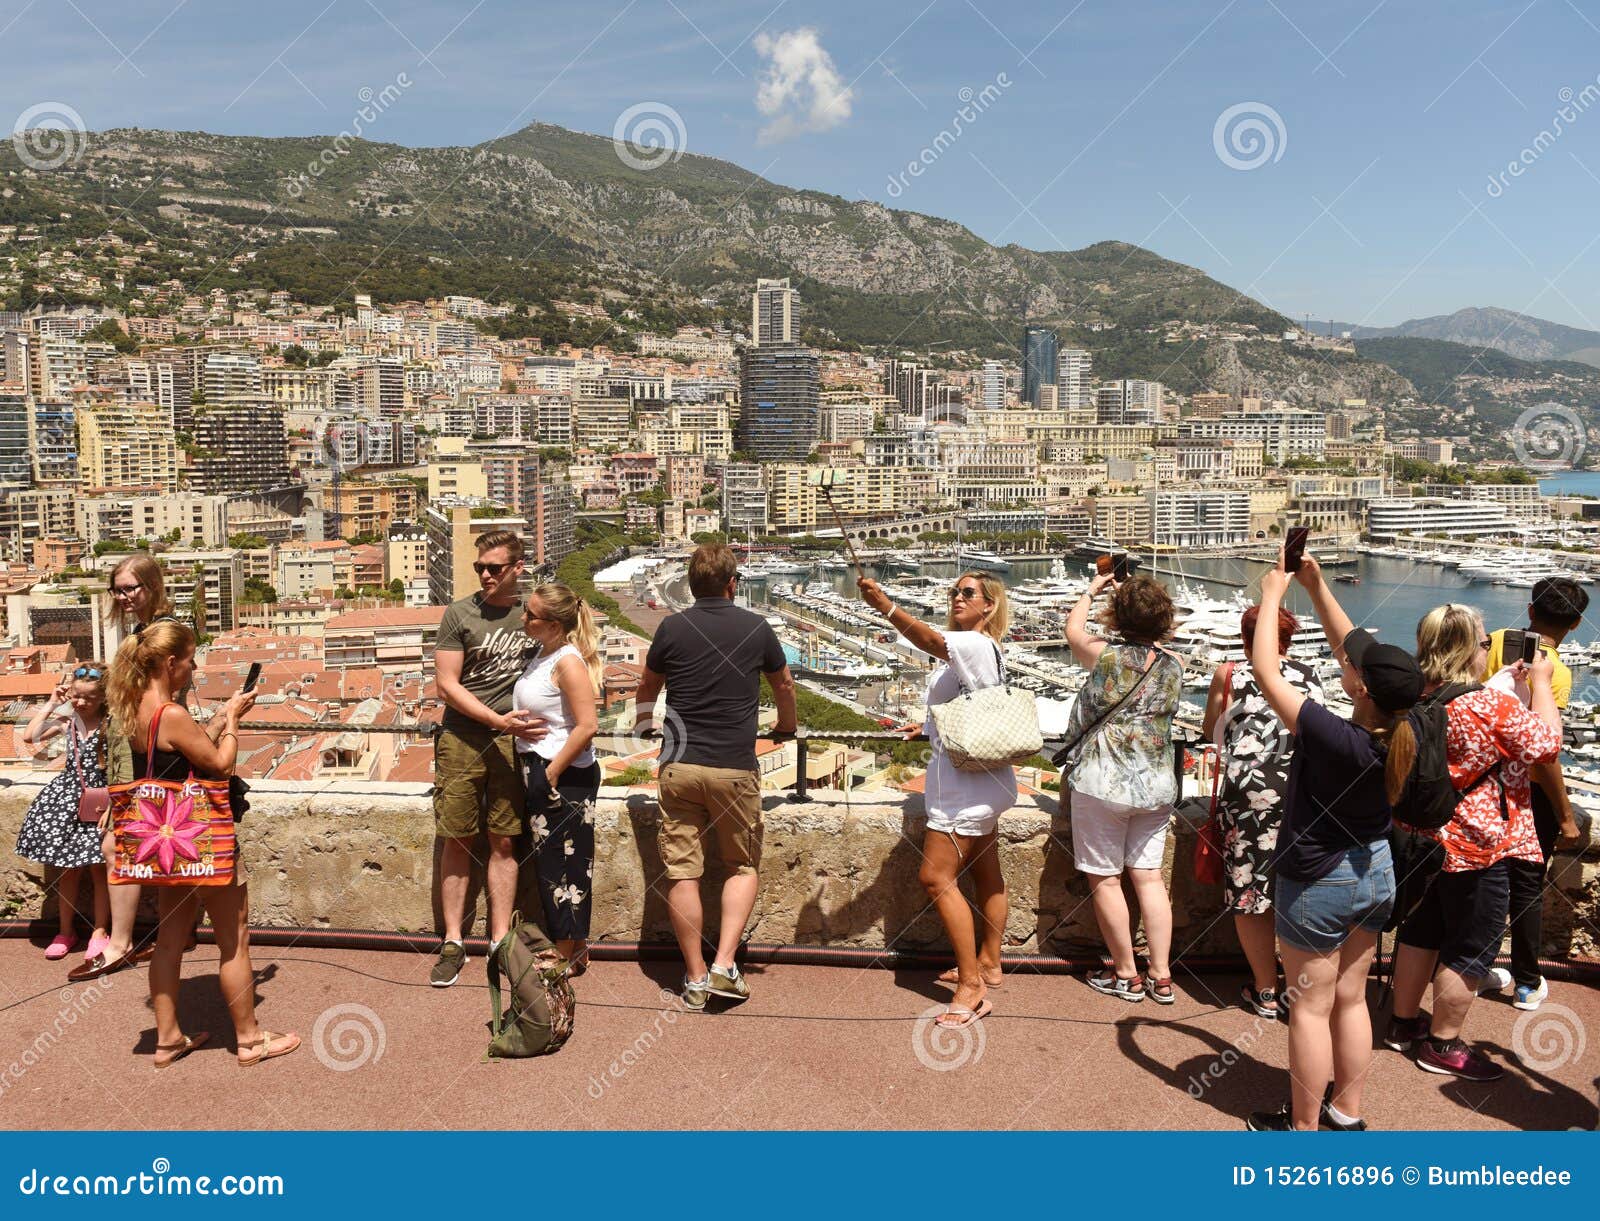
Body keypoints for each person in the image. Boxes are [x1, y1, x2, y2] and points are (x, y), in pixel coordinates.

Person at [1244, 553, 1410, 1132]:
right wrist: (1314, 588)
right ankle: (1348, 1113)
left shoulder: (1337, 737)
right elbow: (1357, 647)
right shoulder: (1414, 724)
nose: (1349, 659)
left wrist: (1272, 594)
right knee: (1352, 999)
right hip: (1376, 871)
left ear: (1361, 688)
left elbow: (1267, 671)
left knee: (1308, 1011)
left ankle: (1304, 1129)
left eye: (1355, 668)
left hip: (1320, 881)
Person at [106, 619, 299, 1068]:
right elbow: (221, 765)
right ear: (171, 663)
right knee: (234, 939)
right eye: (191, 659)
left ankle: (168, 1038)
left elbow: (177, 761)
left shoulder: (134, 707)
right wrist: (232, 721)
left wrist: (214, 720)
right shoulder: (171, 713)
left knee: (170, 940)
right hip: (200, 839)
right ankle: (250, 1040)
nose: (194, 667)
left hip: (166, 841)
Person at [1384, 603, 1563, 1081]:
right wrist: (1541, 683)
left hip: (1425, 839)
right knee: (1469, 948)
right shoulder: (1489, 705)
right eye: (1485, 643)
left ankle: (1402, 1025)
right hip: (1480, 844)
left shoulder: (1416, 694)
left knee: (1421, 933)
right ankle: (1443, 1044)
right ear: (1469, 648)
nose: (1488, 649)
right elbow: (1546, 744)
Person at [632, 544, 797, 1010]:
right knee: (740, 866)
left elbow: (648, 686)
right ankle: (725, 964)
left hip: (679, 765)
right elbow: (782, 684)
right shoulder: (755, 627)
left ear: (689, 585)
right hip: (733, 766)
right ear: (733, 583)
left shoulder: (671, 627)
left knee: (682, 872)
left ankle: (695, 976)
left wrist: (646, 722)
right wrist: (786, 728)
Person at [859, 570, 1017, 1028]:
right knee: (987, 873)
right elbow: (968, 707)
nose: (957, 597)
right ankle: (989, 962)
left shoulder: (972, 642)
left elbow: (926, 638)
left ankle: (971, 986)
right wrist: (927, 728)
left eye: (968, 593)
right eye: (954, 591)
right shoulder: (978, 651)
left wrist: (884, 606)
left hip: (964, 788)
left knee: (935, 877)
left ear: (989, 605)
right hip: (987, 780)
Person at [1062, 572, 1184, 1004]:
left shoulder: (1106, 657)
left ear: (1117, 618)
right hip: (1155, 785)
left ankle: (1127, 974)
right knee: (1150, 879)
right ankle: (1162, 975)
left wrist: (1093, 591)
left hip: (1103, 781)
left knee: (1106, 881)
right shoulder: (1174, 666)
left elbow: (1073, 631)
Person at [1202, 605, 1325, 1018]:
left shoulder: (1231, 672)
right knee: (1295, 886)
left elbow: (1212, 730)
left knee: (1250, 888)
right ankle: (1296, 986)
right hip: (1302, 792)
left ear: (1244, 636)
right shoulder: (1310, 674)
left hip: (1250, 793)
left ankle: (1265, 990)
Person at [430, 530, 541, 987]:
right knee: (456, 838)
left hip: (514, 741)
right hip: (463, 737)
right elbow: (447, 685)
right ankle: (453, 940)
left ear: (519, 568)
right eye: (481, 567)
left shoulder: (533, 614)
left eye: (496, 567)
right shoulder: (460, 613)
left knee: (503, 840)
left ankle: (499, 940)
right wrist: (497, 723)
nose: (486, 575)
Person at [70, 556, 182, 982]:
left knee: (124, 846)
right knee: (123, 846)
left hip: (150, 757)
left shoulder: (160, 634)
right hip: (135, 755)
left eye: (131, 587)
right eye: (117, 589)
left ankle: (127, 943)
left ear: (152, 585)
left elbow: (162, 695)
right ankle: (141, 939)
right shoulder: (141, 632)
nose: (123, 596)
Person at [1480, 577, 1588, 1010]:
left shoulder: (1491, 643)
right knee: (1526, 885)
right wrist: (1564, 814)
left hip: (1483, 781)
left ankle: (1478, 965)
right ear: (1577, 623)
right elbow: (1544, 752)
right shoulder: (1556, 670)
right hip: (1527, 793)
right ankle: (1527, 981)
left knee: (1484, 877)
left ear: (1529, 611)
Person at [512, 582, 602, 970]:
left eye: (531, 615)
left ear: (553, 624)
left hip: (563, 775)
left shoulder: (567, 661)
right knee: (555, 862)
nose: (524, 618)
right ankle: (574, 947)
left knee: (564, 865)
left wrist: (550, 771)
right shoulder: (544, 655)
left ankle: (565, 953)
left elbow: (587, 725)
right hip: (546, 769)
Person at [15, 664, 111, 964]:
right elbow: (30, 736)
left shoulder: (112, 723)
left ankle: (100, 931)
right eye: (76, 696)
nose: (81, 703)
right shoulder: (66, 720)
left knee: (100, 871)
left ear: (104, 697)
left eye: (89, 698)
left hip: (100, 801)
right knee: (69, 870)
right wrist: (53, 703)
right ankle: (65, 931)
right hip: (69, 799)